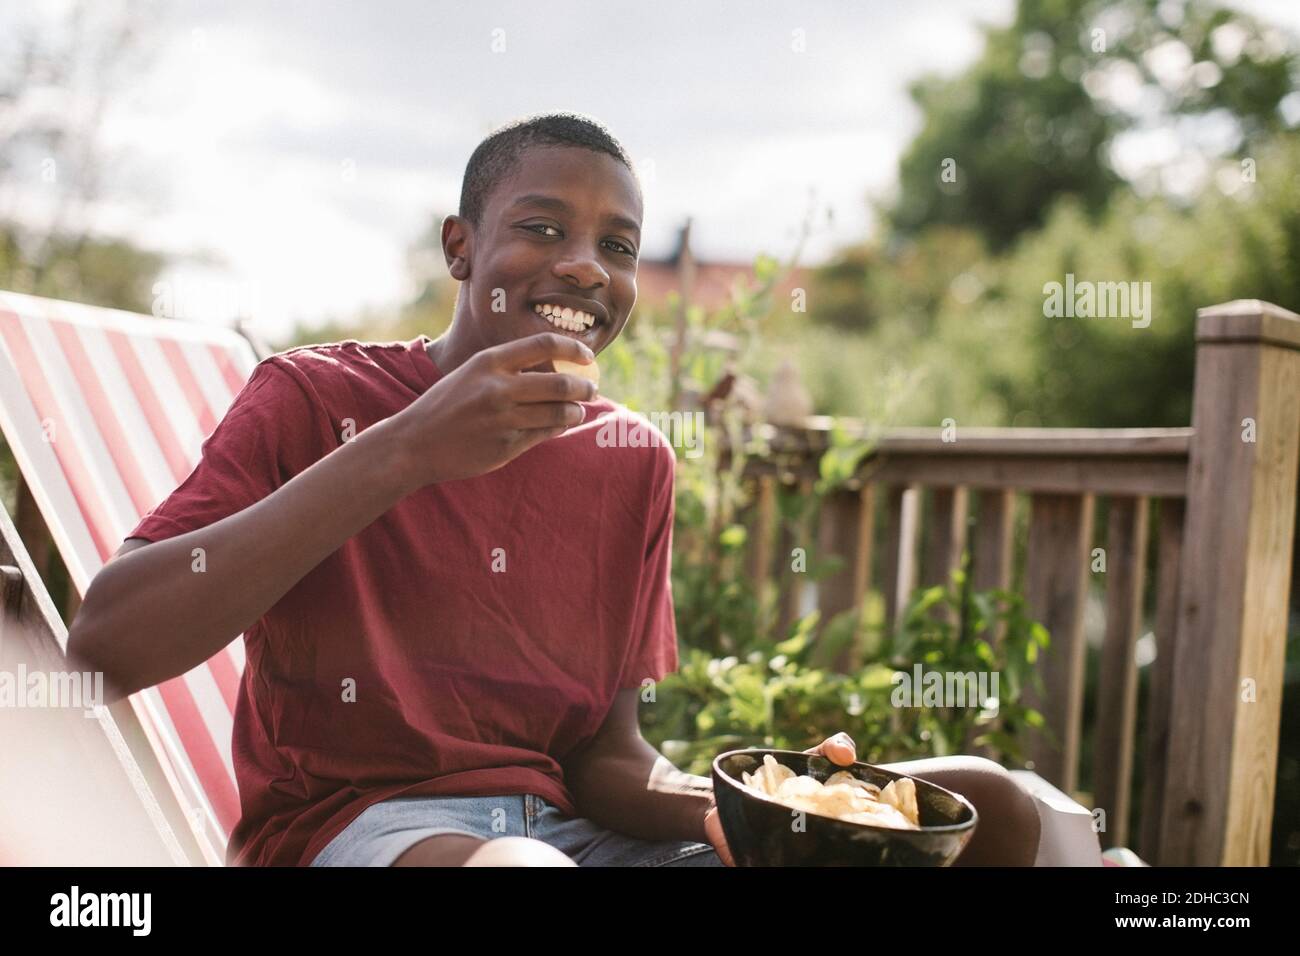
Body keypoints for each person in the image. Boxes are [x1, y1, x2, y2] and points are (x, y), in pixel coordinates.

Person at [67, 112, 1041, 867]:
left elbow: (606, 758)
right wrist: (407, 447)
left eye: (618, 246)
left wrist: (750, 803)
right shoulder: (317, 397)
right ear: (460, 246)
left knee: (992, 800)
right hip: (355, 834)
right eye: (543, 226)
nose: (585, 263)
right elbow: (105, 643)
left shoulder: (633, 458)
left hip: (569, 836)